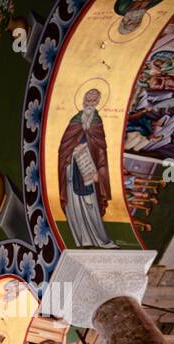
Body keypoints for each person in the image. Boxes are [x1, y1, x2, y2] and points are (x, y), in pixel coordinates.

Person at [56, 88, 117, 248]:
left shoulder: (97, 121)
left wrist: (98, 165)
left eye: (94, 98)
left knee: (91, 201)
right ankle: (82, 239)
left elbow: (101, 146)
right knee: (75, 203)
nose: (90, 101)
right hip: (72, 165)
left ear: (97, 102)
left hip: (89, 164)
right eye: (88, 98)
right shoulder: (76, 119)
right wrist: (72, 151)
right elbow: (64, 144)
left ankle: (100, 239)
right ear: (83, 100)